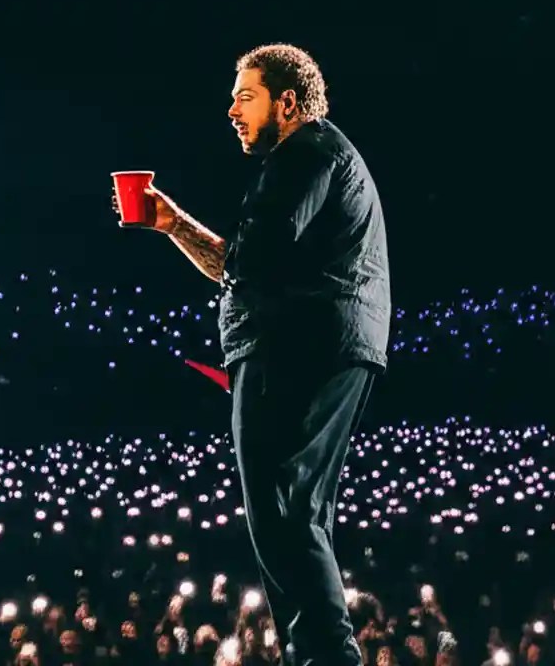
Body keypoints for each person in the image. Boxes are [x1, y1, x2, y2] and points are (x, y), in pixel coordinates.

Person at [112, 42, 391, 665]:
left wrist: (191, 230)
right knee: (290, 512)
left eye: (246, 96)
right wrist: (173, 224)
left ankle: (327, 657)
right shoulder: (321, 155)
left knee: (284, 512)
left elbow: (250, 263)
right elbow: (247, 269)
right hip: (327, 343)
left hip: (297, 349)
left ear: (286, 102)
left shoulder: (304, 154)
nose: (232, 110)